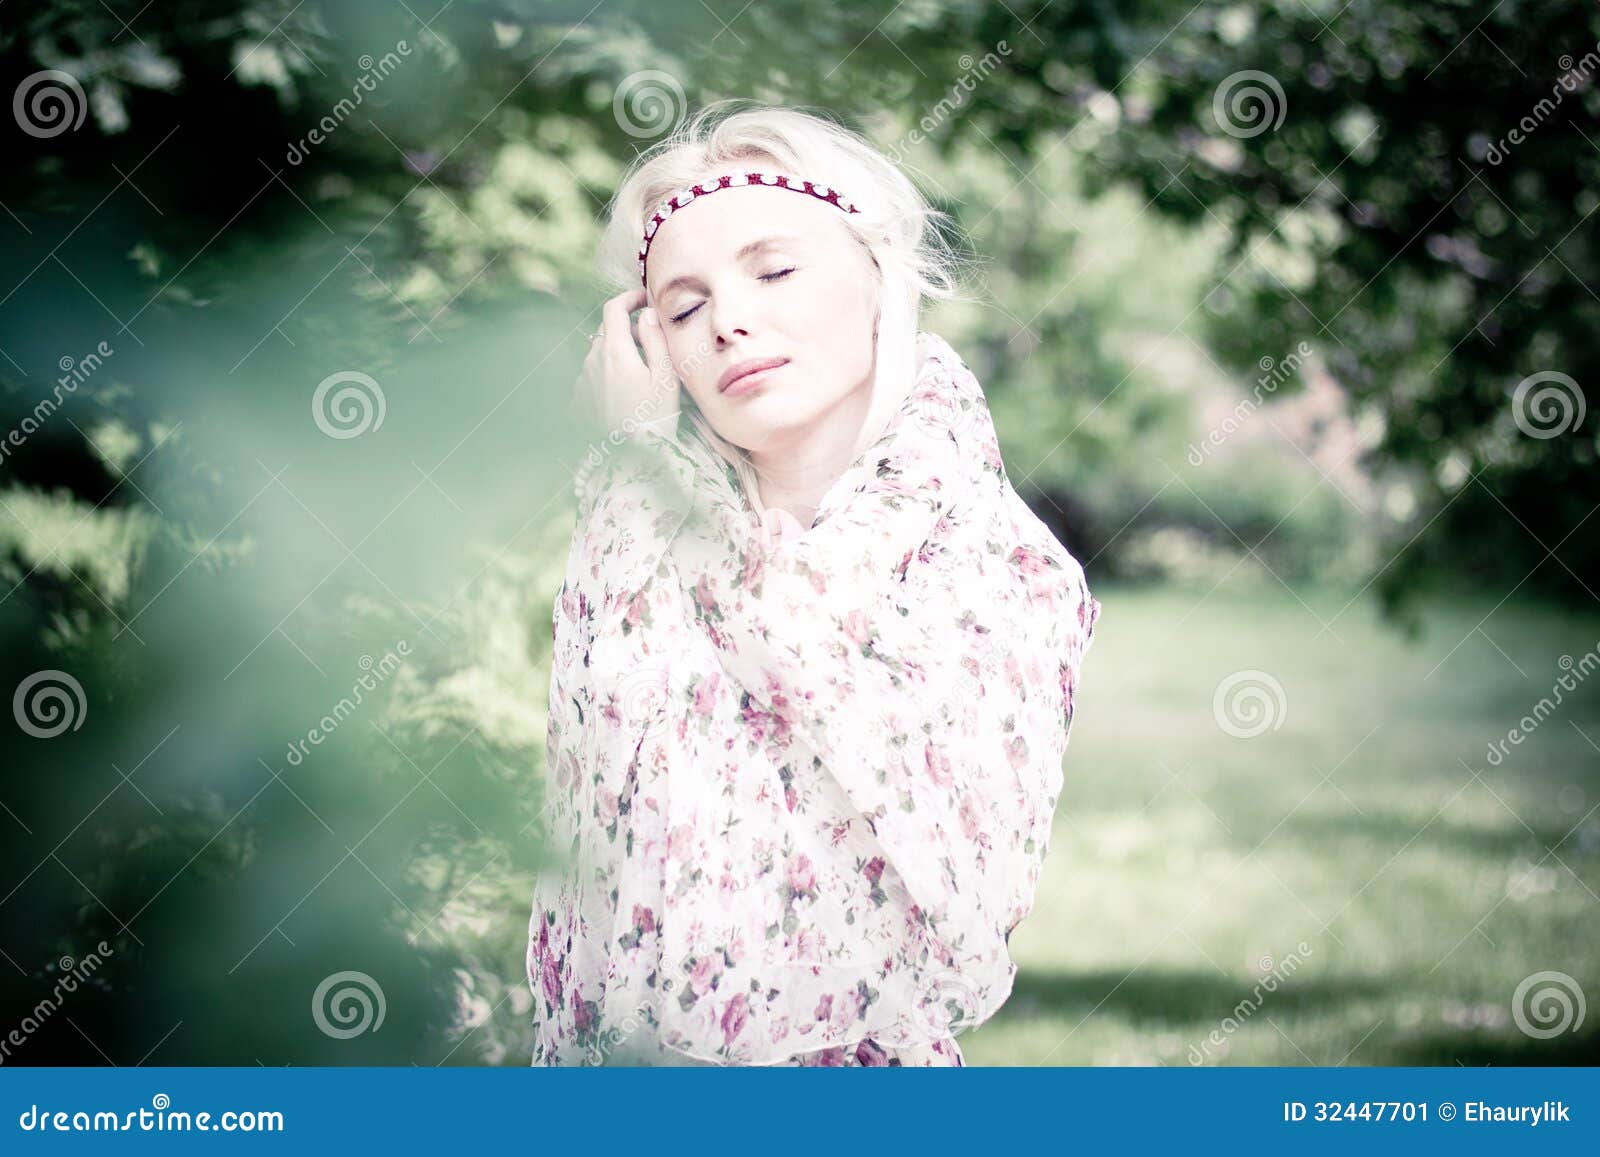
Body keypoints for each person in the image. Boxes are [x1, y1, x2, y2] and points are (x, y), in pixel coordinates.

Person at [527, 101, 1101, 1066]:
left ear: (878, 276)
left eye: (774, 269)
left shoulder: (998, 561)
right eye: (683, 305)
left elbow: (953, 906)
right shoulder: (636, 529)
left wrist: (642, 479)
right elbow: (584, 868)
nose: (731, 320)